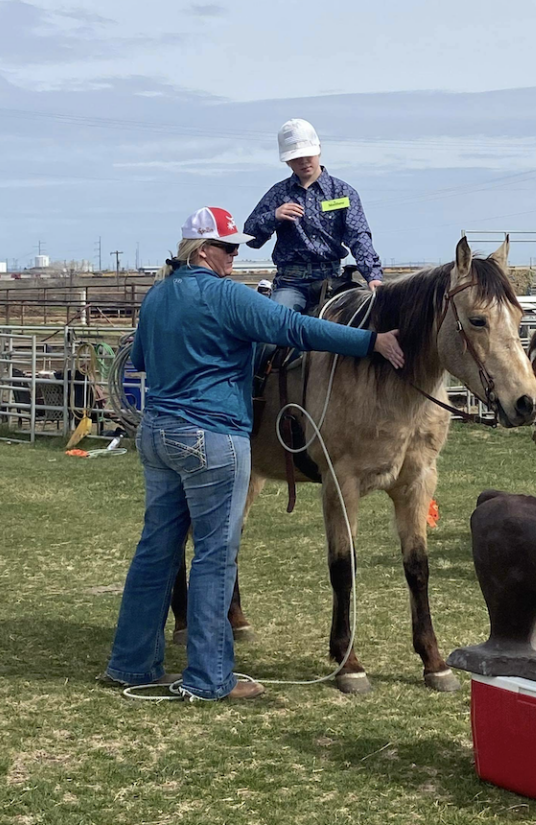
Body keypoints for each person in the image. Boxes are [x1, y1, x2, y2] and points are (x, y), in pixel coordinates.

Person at [101, 206, 405, 702]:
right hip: (212, 436)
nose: (236, 256)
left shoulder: (157, 296)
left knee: (156, 550)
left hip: (157, 434)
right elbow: (297, 329)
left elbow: (138, 360)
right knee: (216, 557)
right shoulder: (226, 296)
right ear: (203, 251)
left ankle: (131, 664)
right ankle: (209, 678)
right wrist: (370, 340)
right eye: (228, 247)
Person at [243, 118, 383, 315]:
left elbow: (358, 236)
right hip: (291, 284)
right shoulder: (278, 193)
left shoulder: (343, 193)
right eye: (296, 157)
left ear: (318, 149)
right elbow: (250, 238)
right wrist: (274, 216)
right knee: (270, 331)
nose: (303, 161)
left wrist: (373, 275)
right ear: (287, 160)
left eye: (308, 154)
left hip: (335, 282)